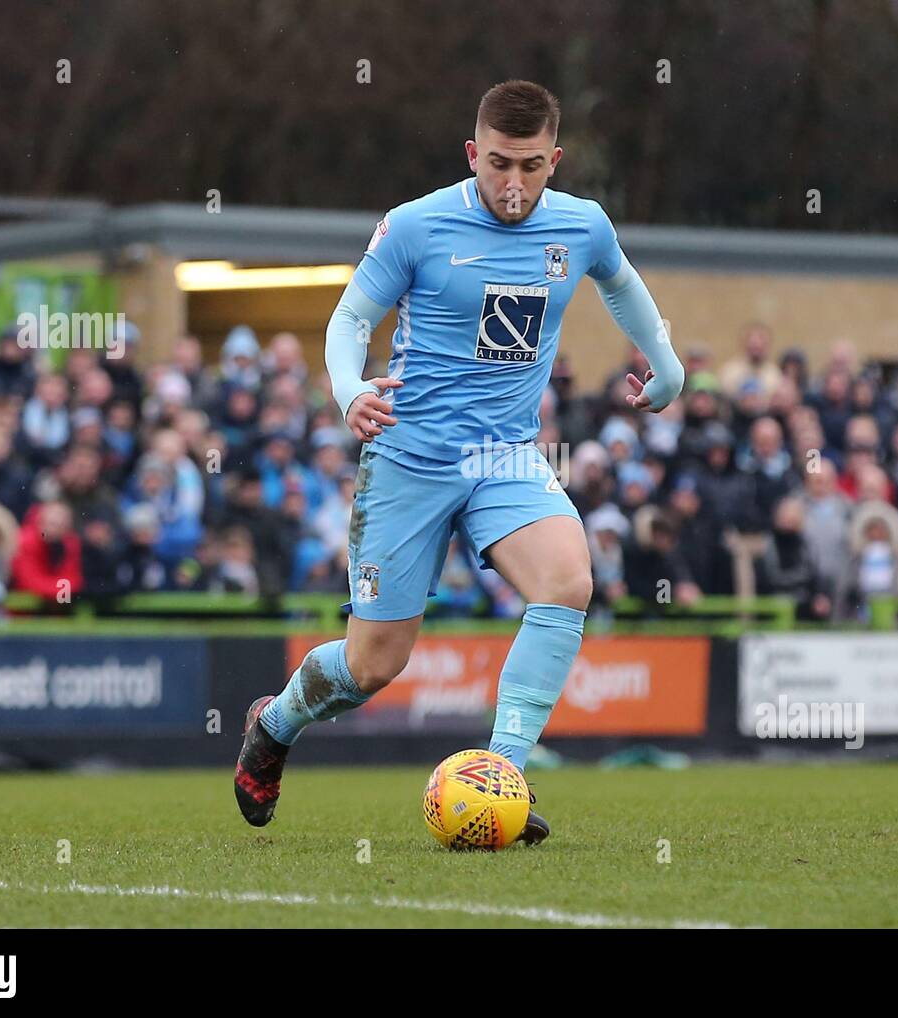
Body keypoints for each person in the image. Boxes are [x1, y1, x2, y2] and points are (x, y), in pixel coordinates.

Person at [233, 80, 685, 844]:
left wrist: (665, 361)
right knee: (375, 665)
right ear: (474, 153)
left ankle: (500, 774)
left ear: (555, 160)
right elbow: (350, 318)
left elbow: (622, 283)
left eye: (532, 167)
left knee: (569, 580)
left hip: (504, 457)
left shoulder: (582, 225)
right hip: (409, 459)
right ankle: (274, 725)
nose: (514, 185)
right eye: (500, 164)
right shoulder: (416, 225)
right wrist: (349, 391)